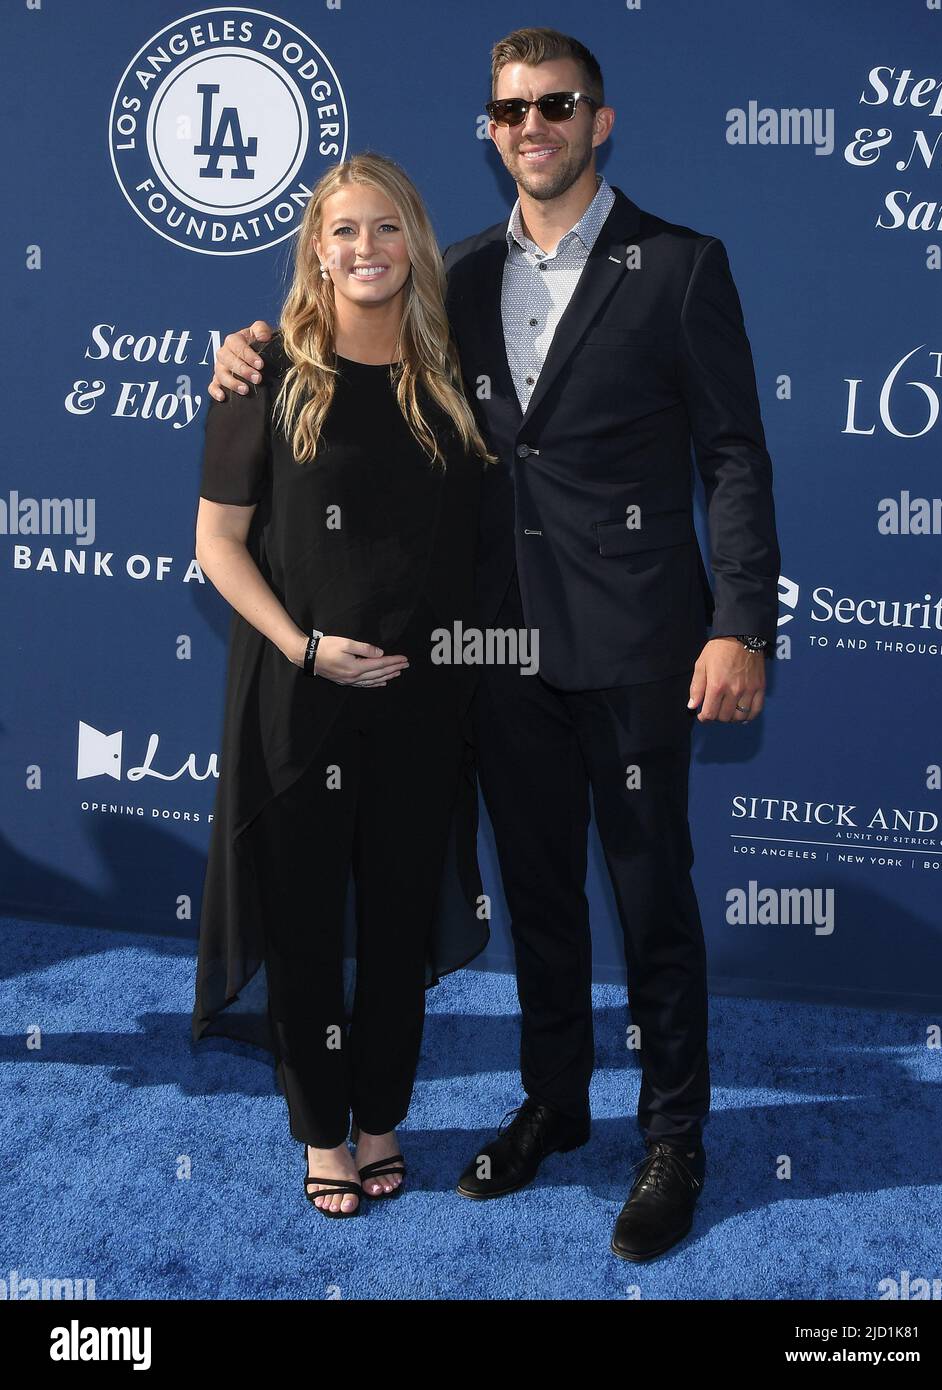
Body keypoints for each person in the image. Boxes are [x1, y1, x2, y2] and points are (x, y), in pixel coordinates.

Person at [208, 27, 781, 1260]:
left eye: (557, 106)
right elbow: (341, 350)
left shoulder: (679, 266)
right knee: (536, 894)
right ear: (491, 130)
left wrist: (742, 621)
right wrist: (245, 347)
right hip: (495, 653)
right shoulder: (452, 280)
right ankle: (556, 1102)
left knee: (650, 895)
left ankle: (673, 1133)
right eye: (512, 111)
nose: (534, 126)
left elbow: (732, 456)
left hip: (636, 645)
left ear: (600, 120)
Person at [193, 151, 495, 1217]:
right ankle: (322, 1131)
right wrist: (304, 645)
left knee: (404, 919)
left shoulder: (452, 375)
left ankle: (381, 1118)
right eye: (343, 231)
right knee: (308, 926)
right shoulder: (263, 376)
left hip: (423, 704)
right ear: (314, 253)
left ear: (416, 241)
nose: (364, 249)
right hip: (301, 698)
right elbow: (216, 546)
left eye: (386, 228)